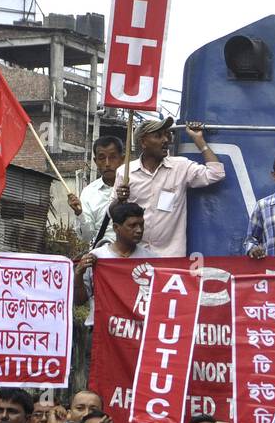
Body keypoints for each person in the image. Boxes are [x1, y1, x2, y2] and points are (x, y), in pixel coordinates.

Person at [112, 117, 225, 258]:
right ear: (143, 142)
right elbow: (113, 213)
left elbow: (216, 173)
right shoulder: (125, 172)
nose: (165, 140)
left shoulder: (180, 167)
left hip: (169, 257)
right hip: (135, 254)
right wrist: (119, 200)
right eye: (158, 136)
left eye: (167, 134)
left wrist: (199, 140)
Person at [74, 201, 147, 326]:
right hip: (99, 332)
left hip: (136, 335)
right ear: (116, 228)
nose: (139, 230)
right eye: (133, 225)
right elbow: (79, 300)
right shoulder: (96, 257)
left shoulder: (152, 261)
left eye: (141, 225)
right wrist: (79, 274)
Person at [68, 134, 125, 247]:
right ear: (95, 161)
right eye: (102, 158)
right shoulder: (89, 193)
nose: (107, 164)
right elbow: (86, 237)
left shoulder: (134, 187)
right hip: (101, 256)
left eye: (113, 157)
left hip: (133, 258)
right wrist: (79, 213)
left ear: (122, 159)